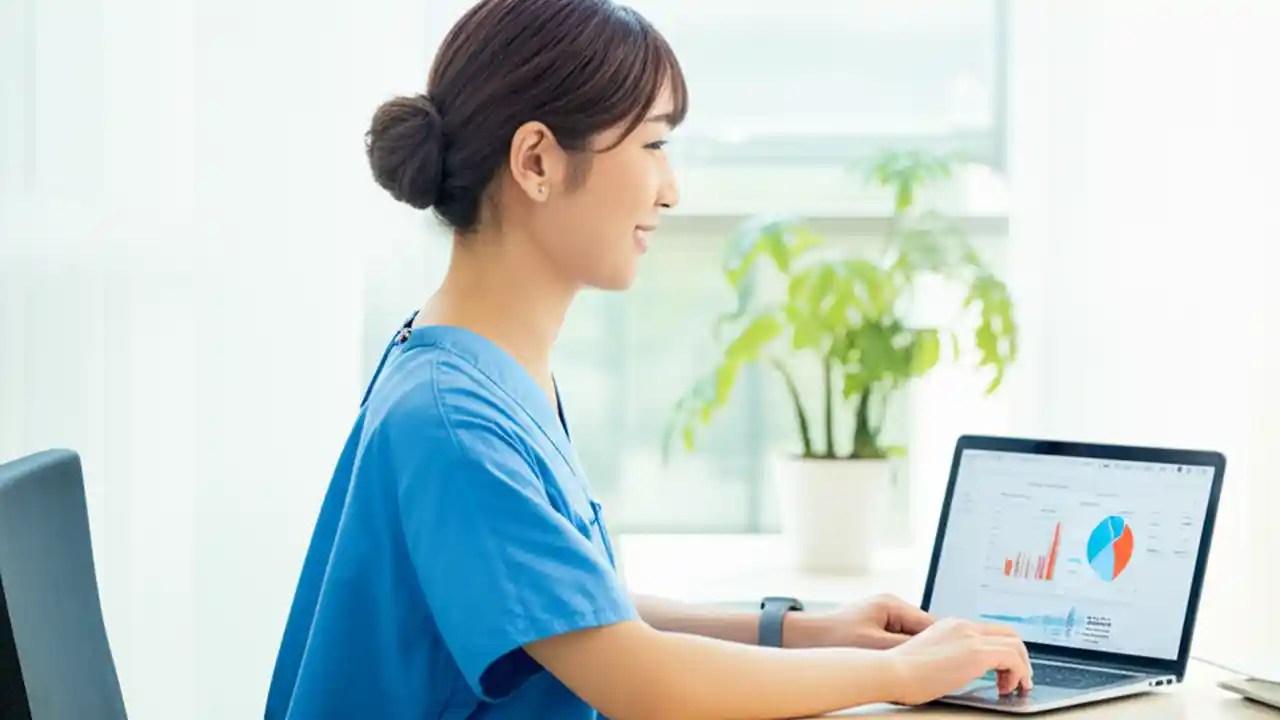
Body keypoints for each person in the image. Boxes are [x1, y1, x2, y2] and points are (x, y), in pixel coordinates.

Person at [264, 0, 1033, 717]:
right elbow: (637, 681)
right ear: (537, 161)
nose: (670, 190)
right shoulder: (454, 422)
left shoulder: (471, 373)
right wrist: (902, 673)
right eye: (655, 144)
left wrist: (806, 631)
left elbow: (579, 617)